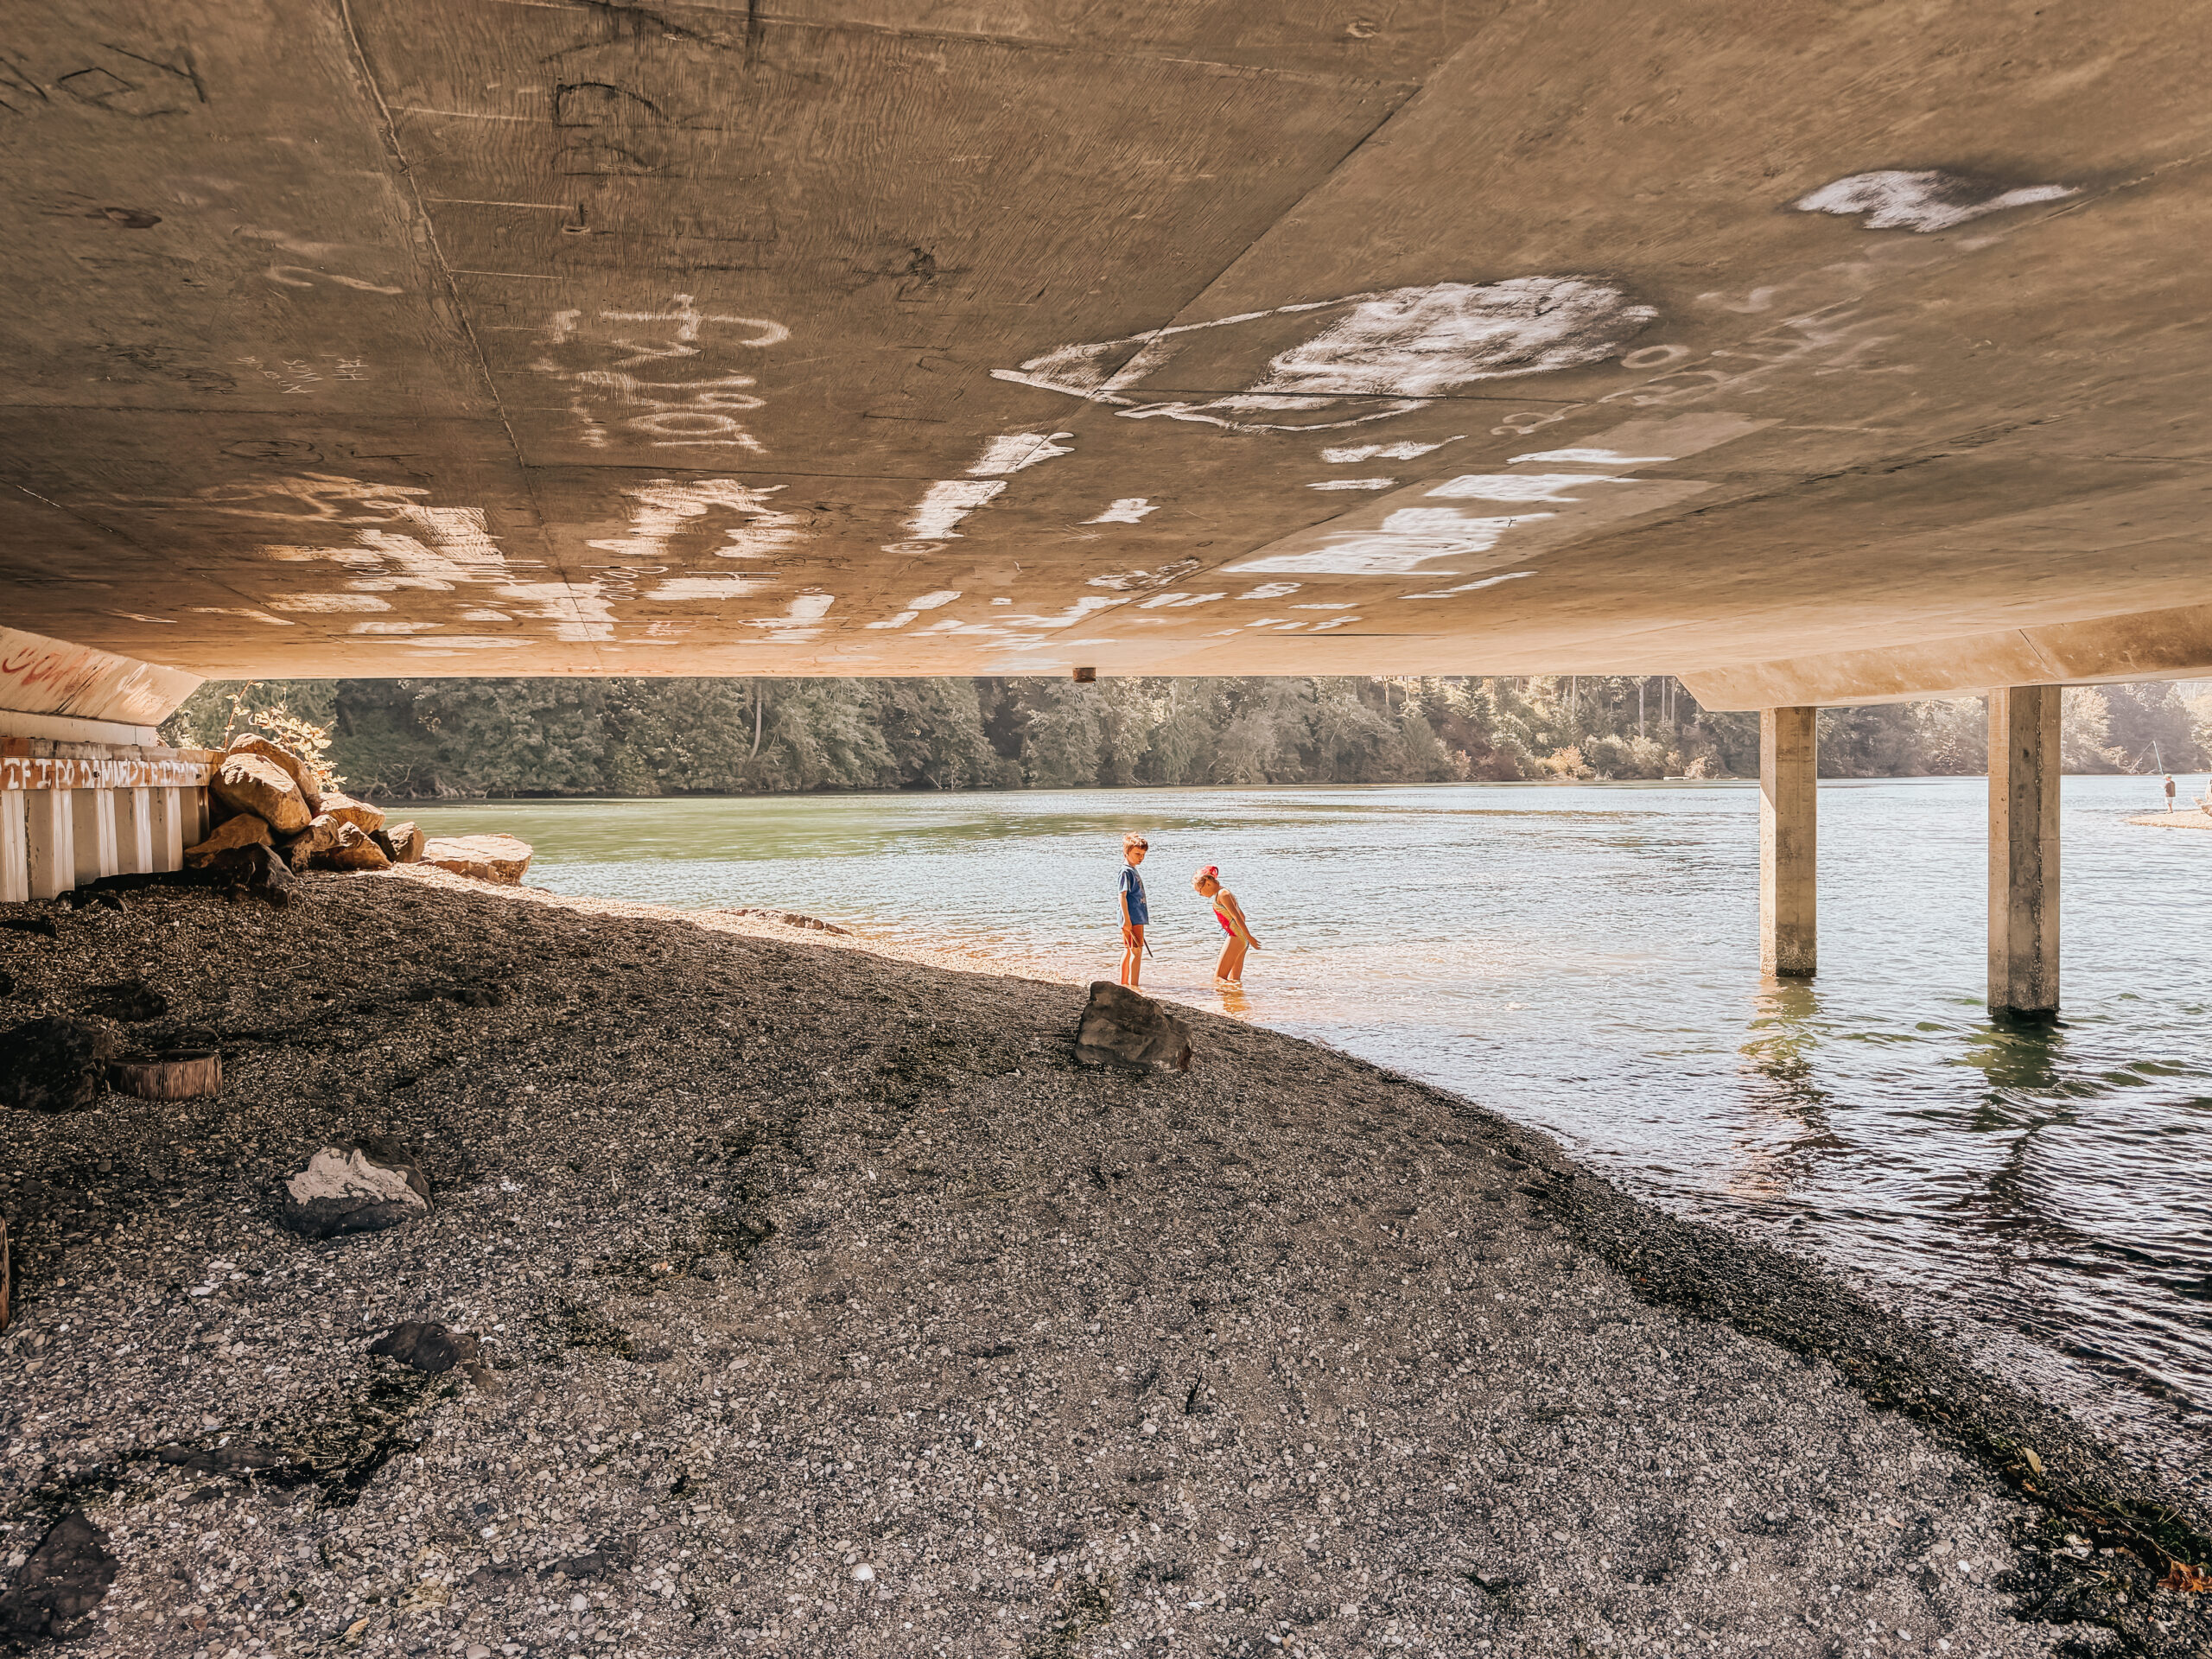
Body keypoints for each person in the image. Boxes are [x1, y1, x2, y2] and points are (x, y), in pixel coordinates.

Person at [1193, 865, 1260, 987]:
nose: (1201, 894)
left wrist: (1248, 936)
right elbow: (1242, 916)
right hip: (1241, 939)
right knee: (1234, 980)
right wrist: (1246, 938)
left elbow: (1237, 917)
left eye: (1200, 890)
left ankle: (1223, 1002)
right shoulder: (1225, 892)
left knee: (1218, 978)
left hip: (1236, 936)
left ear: (1208, 882)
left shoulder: (1222, 894)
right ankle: (1235, 1004)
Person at [1117, 833, 1149, 988]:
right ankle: (1132, 985)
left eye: (1143, 854)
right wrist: (1127, 919)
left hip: (1137, 916)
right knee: (1135, 951)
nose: (1141, 857)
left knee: (1131, 950)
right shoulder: (1126, 871)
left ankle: (1126, 983)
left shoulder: (1132, 870)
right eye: (1137, 854)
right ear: (1126, 852)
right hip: (1132, 917)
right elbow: (1122, 896)